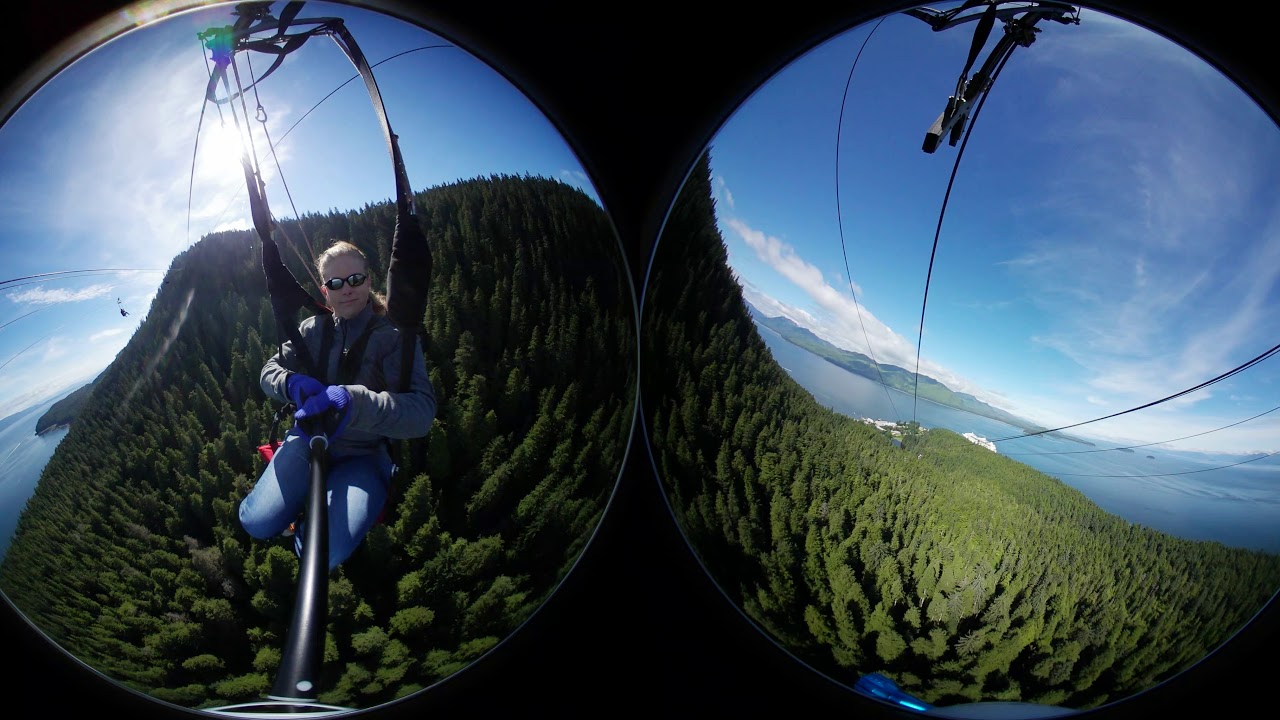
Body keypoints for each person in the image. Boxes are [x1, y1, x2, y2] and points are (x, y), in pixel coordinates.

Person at [239, 239, 436, 570]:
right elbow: (269, 371)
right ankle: (302, 504)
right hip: (308, 437)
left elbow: (421, 414)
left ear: (369, 280)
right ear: (325, 289)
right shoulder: (314, 330)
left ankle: (306, 518)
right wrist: (289, 383)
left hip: (364, 453)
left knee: (320, 555)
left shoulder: (394, 336)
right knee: (254, 523)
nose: (347, 290)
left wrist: (355, 401)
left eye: (356, 280)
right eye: (336, 283)